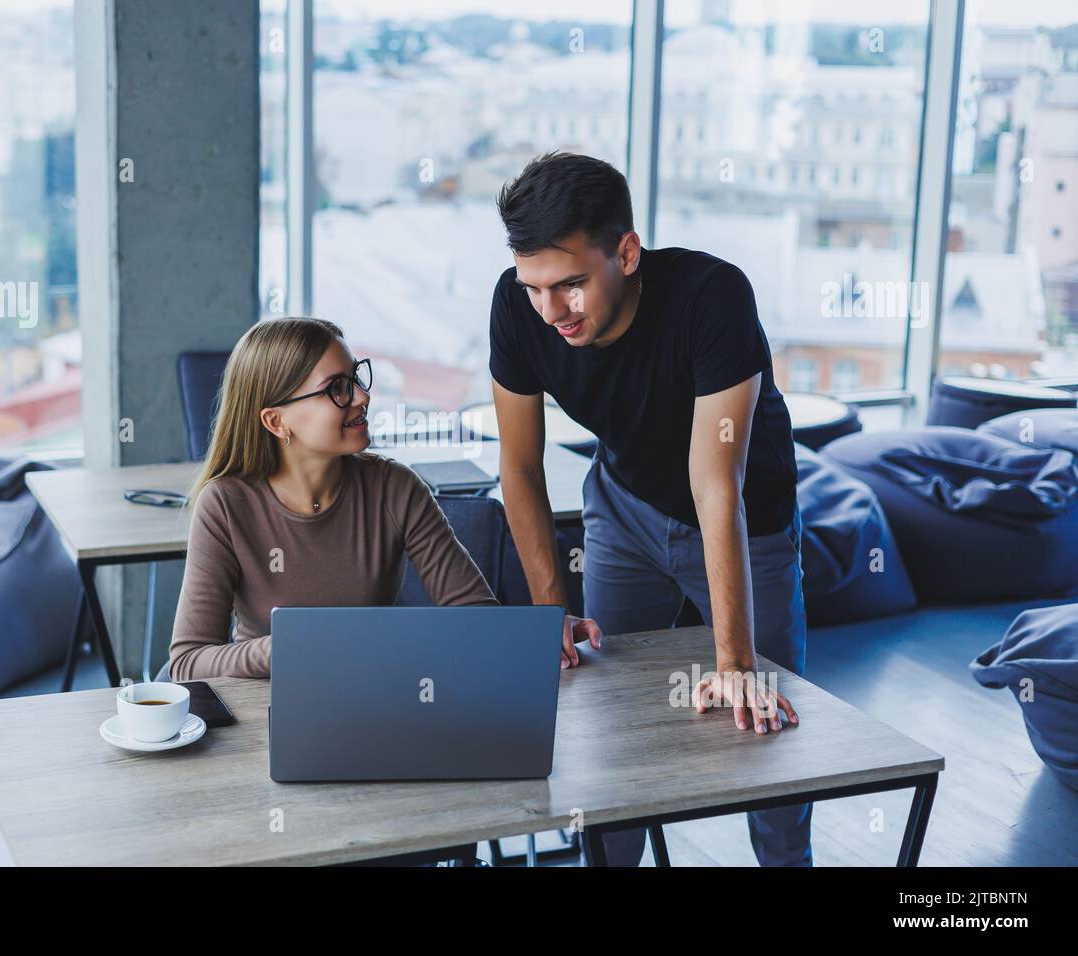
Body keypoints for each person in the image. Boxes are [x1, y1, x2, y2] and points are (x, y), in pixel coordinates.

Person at [488, 151, 811, 866]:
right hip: (624, 507)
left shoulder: (712, 296)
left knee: (768, 721)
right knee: (610, 719)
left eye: (570, 285)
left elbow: (714, 482)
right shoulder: (518, 307)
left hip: (742, 520)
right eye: (534, 286)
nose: (551, 311)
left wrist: (732, 662)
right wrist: (550, 615)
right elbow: (520, 466)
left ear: (626, 253)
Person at [168, 316, 498, 681]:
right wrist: (288, 646)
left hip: (373, 697)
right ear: (277, 422)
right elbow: (188, 662)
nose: (363, 397)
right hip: (266, 707)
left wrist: (545, 633)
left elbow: (478, 618)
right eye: (337, 388)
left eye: (356, 378)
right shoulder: (226, 504)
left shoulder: (396, 487)